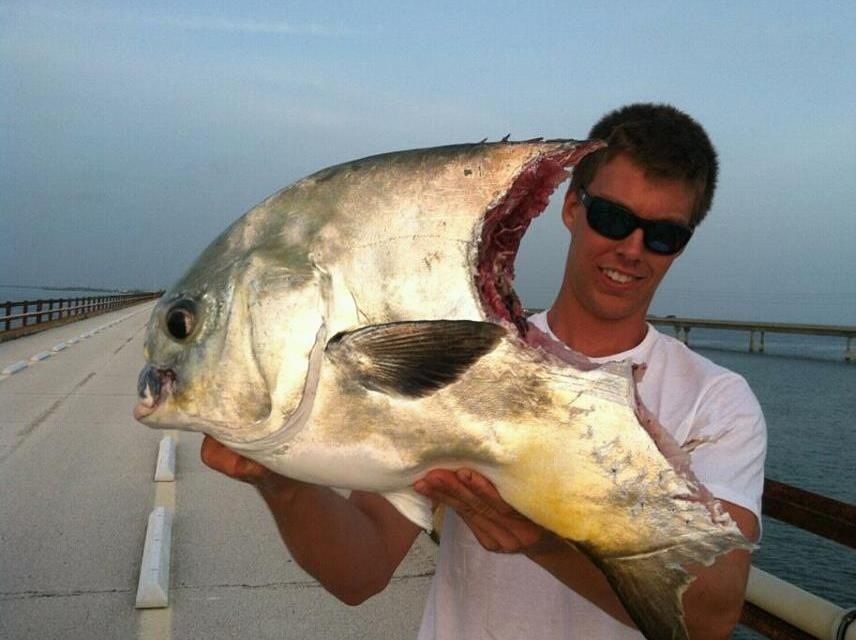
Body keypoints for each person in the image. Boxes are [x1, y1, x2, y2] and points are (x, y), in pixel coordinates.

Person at [201, 103, 767, 640]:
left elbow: (712, 614)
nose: (632, 249)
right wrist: (281, 483)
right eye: (612, 218)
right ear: (573, 208)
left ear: (681, 247)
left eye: (663, 235)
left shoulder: (716, 401)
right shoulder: (463, 361)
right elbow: (361, 570)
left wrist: (544, 544)